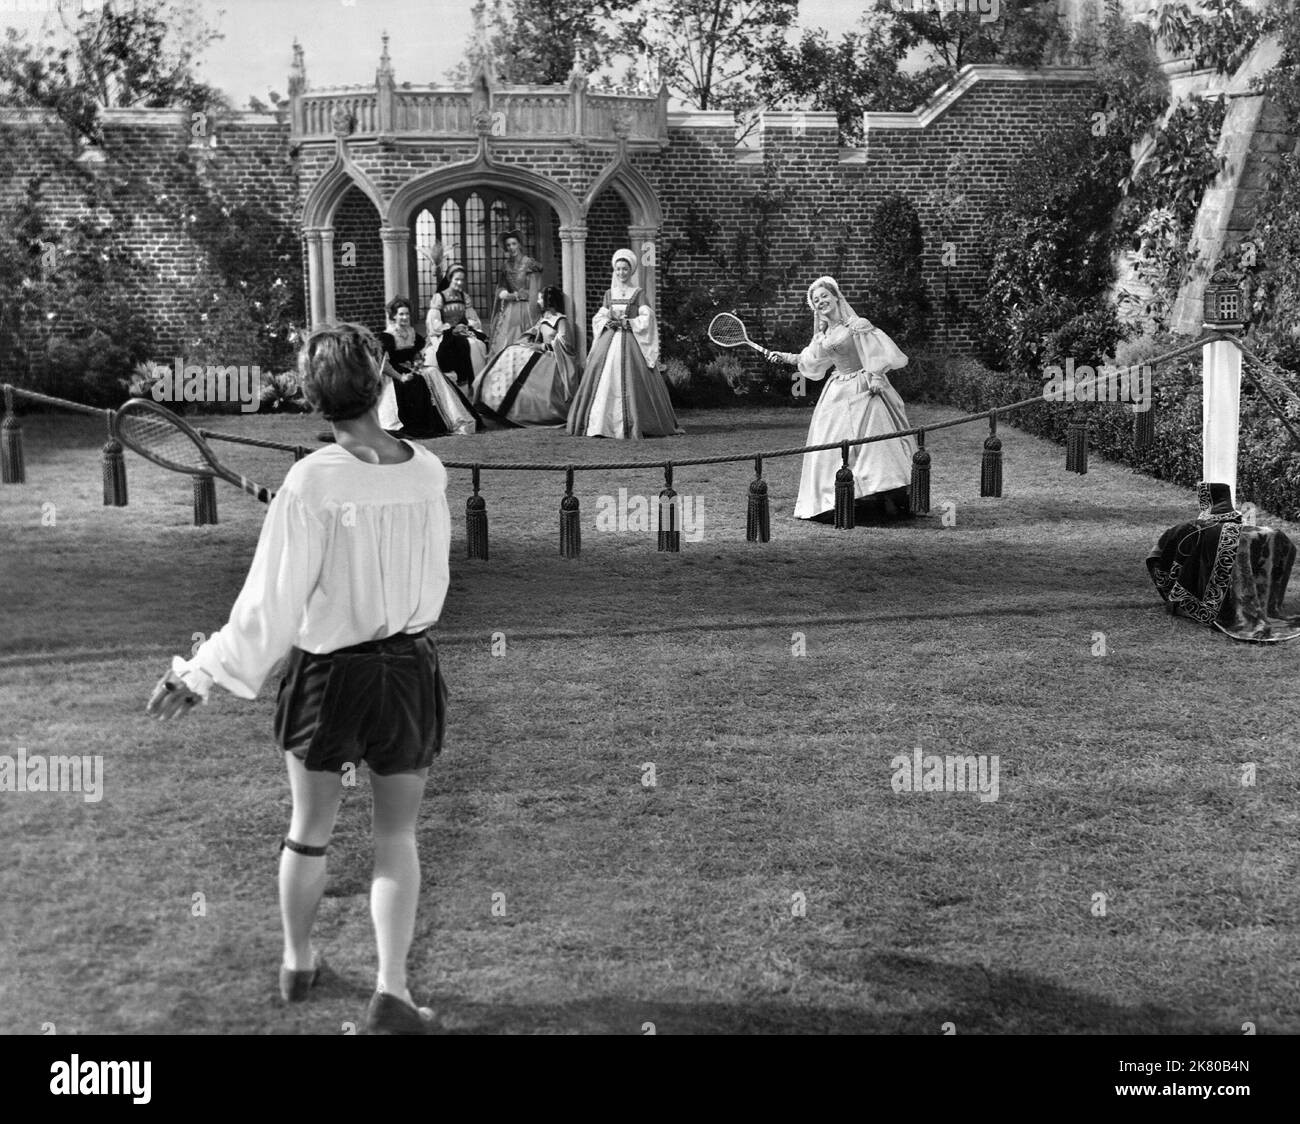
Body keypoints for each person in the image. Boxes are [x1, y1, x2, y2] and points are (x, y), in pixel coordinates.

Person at [145, 322, 452, 1035]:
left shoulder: (309, 483)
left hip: (330, 681)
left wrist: (198, 673)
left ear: (315, 398)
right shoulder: (426, 471)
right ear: (382, 384)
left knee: (309, 831)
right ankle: (394, 992)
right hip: (407, 673)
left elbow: (270, 608)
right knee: (395, 838)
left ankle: (297, 960)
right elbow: (418, 572)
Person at [764, 276, 913, 521]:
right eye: (816, 300)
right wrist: (781, 357)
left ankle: (882, 496)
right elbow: (810, 361)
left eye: (824, 296)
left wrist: (875, 377)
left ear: (835, 297)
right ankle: (844, 500)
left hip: (865, 389)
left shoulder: (857, 325)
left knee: (872, 444)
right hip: (837, 392)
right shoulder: (823, 336)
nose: (821, 301)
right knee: (833, 446)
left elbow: (876, 352)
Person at [1147, 481, 1300, 641]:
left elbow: (1159, 557)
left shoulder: (1192, 529)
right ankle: (1262, 604)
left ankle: (1219, 606)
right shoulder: (1250, 528)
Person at [567, 248, 683, 439]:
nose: (621, 273)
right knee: (600, 376)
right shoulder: (608, 293)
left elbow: (648, 317)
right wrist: (607, 320)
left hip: (630, 341)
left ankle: (633, 422)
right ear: (615, 270)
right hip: (609, 340)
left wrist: (629, 322)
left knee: (633, 378)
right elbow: (600, 315)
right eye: (618, 269)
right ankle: (599, 424)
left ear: (631, 271)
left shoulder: (638, 294)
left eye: (625, 269)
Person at [472, 285, 580, 427]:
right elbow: (533, 332)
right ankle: (489, 396)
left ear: (549, 301)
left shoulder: (561, 320)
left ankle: (511, 407)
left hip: (555, 360)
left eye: (541, 298)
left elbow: (566, 343)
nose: (538, 300)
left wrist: (542, 346)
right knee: (511, 351)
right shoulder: (543, 319)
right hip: (541, 354)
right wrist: (526, 342)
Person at [423, 265, 486, 434]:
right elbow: (434, 322)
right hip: (443, 332)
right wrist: (450, 328)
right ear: (450, 279)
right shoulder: (440, 297)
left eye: (462, 280)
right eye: (456, 279)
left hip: (461, 330)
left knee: (476, 345)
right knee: (447, 348)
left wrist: (467, 326)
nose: (459, 283)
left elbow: (472, 318)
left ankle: (472, 394)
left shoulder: (464, 297)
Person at [378, 296, 448, 439]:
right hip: (393, 373)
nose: (405, 317)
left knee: (433, 372)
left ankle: (442, 419)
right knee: (415, 381)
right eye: (401, 314)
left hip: (409, 368)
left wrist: (418, 367)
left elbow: (416, 356)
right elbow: (384, 365)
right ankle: (416, 425)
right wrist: (401, 377)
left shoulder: (411, 333)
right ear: (394, 316)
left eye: (407, 314)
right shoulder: (387, 336)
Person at [488, 229, 543, 355]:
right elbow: (501, 287)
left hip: (528, 308)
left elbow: (535, 289)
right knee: (505, 340)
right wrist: (504, 293)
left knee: (525, 340)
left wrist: (519, 295)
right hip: (510, 308)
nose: (511, 247)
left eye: (514, 244)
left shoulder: (530, 263)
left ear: (519, 244)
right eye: (508, 245)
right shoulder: (506, 266)